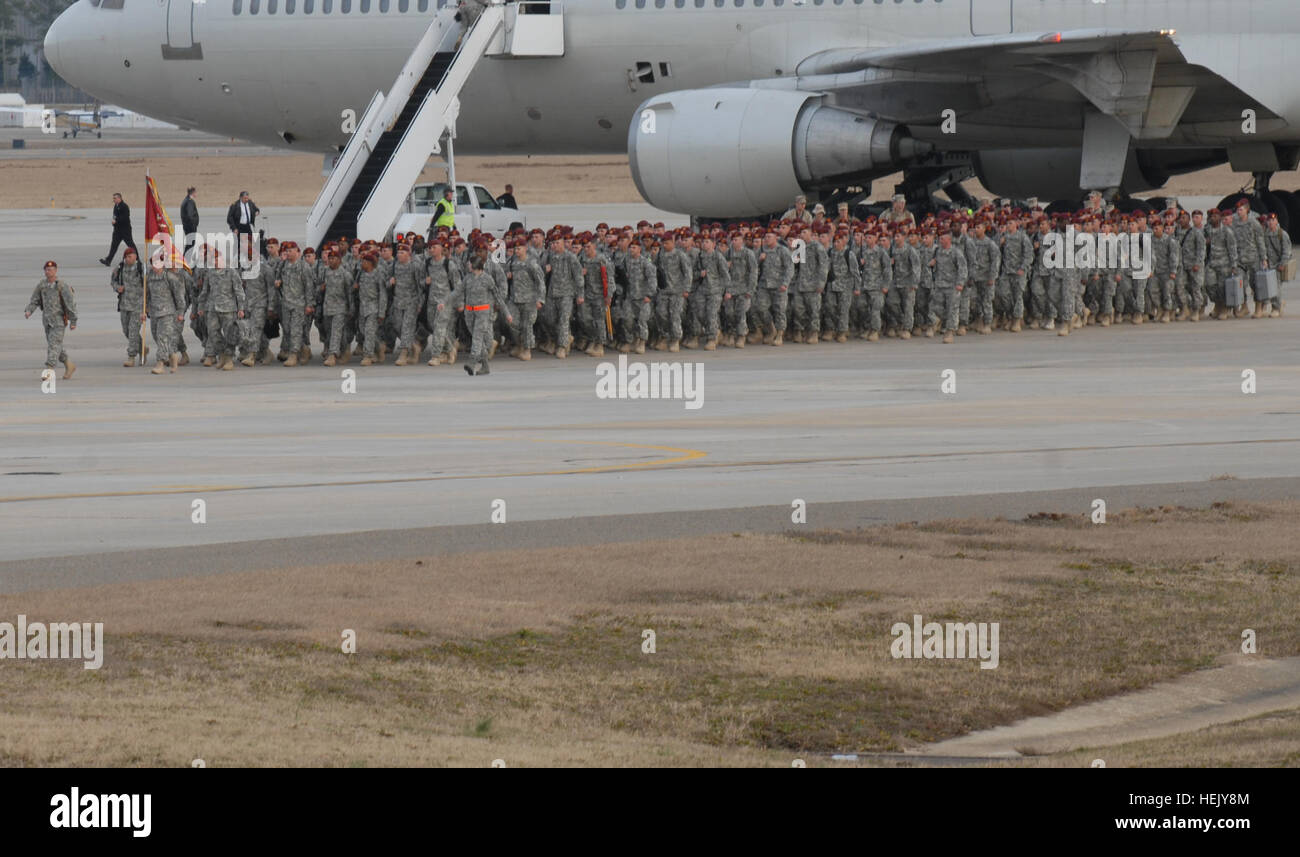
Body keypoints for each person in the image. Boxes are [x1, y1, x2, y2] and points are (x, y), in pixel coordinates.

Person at [460, 254, 512, 376]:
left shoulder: (488, 279)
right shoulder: (468, 279)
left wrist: (507, 314)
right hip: (473, 314)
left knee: (487, 342)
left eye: (469, 263)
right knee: (478, 339)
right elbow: (459, 291)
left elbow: (498, 297)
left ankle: (472, 362)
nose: (468, 265)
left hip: (486, 314)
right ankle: (484, 366)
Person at [25, 260, 77, 378]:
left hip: (59, 321)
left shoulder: (62, 286)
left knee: (53, 346)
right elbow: (35, 300)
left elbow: (70, 304)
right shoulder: (42, 285)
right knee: (56, 345)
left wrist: (73, 321)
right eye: (47, 270)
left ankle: (49, 370)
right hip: (47, 321)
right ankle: (69, 365)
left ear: (56, 271)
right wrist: (29, 311)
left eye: (52, 269)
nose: (49, 272)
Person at [111, 247, 147, 366]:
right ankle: (142, 349)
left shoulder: (142, 269)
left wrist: (145, 309)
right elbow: (113, 281)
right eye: (127, 257)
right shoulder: (120, 268)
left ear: (136, 256)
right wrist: (117, 288)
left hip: (138, 305)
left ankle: (131, 357)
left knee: (133, 331)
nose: (129, 259)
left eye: (131, 256)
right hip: (124, 305)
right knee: (126, 331)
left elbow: (148, 286)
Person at [100, 192, 136, 267]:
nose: (114, 200)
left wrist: (116, 221)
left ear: (120, 198)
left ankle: (137, 259)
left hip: (125, 231)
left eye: (115, 198)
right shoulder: (116, 206)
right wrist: (114, 222)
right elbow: (115, 216)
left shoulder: (124, 206)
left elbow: (125, 218)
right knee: (114, 246)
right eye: (113, 198)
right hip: (117, 231)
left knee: (131, 245)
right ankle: (108, 260)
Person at [226, 191, 260, 265]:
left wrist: (257, 212)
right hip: (239, 227)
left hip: (247, 226)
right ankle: (237, 261)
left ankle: (251, 258)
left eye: (247, 198)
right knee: (238, 244)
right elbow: (229, 218)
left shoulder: (250, 203)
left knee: (251, 242)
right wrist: (234, 228)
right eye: (245, 198)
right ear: (240, 198)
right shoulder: (235, 205)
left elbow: (256, 209)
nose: (246, 200)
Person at [180, 187, 199, 258]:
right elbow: (190, 215)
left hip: (187, 226)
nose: (196, 194)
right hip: (190, 227)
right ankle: (186, 260)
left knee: (189, 244)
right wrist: (194, 225)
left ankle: (185, 260)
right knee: (191, 244)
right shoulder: (189, 202)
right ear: (193, 193)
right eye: (195, 192)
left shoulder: (186, 200)